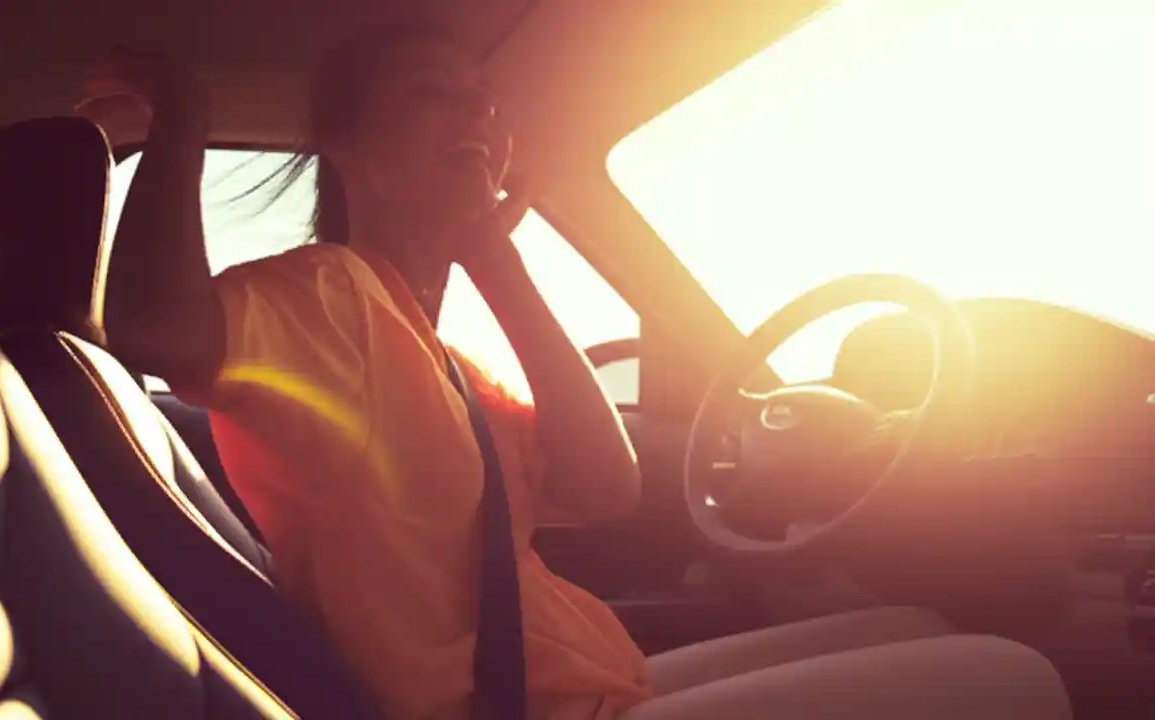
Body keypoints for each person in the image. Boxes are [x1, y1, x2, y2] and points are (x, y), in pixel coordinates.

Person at [80, 23, 1070, 720]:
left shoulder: (443, 356)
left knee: (911, 618)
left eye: (484, 104)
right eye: (434, 96)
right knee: (1006, 674)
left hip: (574, 687)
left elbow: (605, 487)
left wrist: (492, 257)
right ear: (350, 149)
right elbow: (159, 331)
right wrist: (182, 121)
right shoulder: (327, 296)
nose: (475, 118)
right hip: (506, 711)